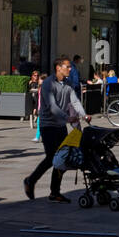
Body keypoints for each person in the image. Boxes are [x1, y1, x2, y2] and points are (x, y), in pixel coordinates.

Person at [23, 56, 87, 203]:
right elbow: (52, 107)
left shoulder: (68, 83)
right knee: (52, 158)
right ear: (58, 68)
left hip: (60, 126)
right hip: (48, 126)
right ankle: (30, 180)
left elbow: (75, 101)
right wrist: (68, 118)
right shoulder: (48, 84)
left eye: (70, 67)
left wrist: (84, 115)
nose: (70, 69)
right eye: (67, 66)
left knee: (62, 158)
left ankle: (54, 192)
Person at [24, 69, 42, 140]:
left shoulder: (39, 83)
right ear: (32, 76)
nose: (36, 77)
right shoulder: (30, 83)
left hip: (37, 101)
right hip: (32, 99)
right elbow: (28, 91)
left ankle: (38, 136)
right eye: (35, 75)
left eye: (37, 75)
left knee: (39, 121)